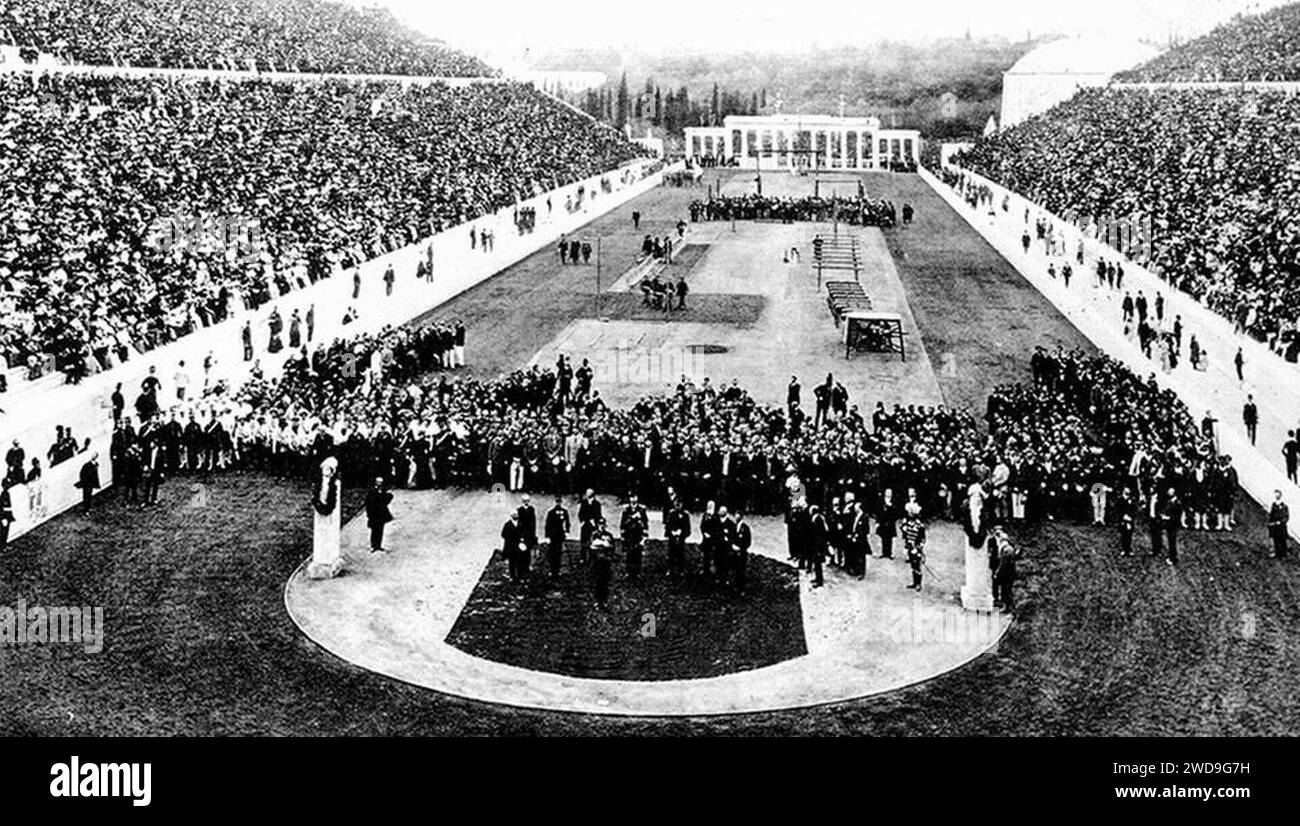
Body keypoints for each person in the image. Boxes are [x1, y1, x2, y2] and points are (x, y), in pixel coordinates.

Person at [620, 493, 648, 583]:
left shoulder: (642, 510)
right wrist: (623, 535)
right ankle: (629, 572)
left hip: (638, 535)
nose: (633, 499)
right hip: (629, 535)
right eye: (631, 497)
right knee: (629, 554)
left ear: (637, 498)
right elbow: (623, 523)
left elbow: (645, 522)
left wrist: (645, 535)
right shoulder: (626, 510)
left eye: (634, 497)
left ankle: (637, 572)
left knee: (638, 554)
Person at [364, 477, 393, 553]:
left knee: (380, 529)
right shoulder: (371, 491)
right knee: (374, 530)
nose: (379, 483)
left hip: (381, 513)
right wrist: (369, 514)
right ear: (375, 482)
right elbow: (368, 503)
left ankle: (379, 545)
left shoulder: (383, 490)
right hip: (374, 513)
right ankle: (374, 545)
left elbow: (387, 499)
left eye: (380, 482)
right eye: (378, 482)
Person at [901, 502, 926, 590]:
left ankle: (918, 583)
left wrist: (919, 548)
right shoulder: (907, 523)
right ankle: (915, 582)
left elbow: (922, 538)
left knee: (917, 565)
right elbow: (905, 533)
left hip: (916, 547)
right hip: (909, 546)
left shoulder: (919, 525)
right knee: (912, 565)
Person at [544, 494, 570, 577]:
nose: (558, 503)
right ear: (555, 502)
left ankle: (557, 570)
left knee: (559, 553)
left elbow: (567, 522)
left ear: (561, 502)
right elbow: (547, 525)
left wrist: (567, 531)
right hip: (552, 535)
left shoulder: (564, 512)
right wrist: (547, 536)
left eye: (559, 502)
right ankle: (552, 570)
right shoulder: (551, 512)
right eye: (557, 502)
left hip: (560, 535)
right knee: (552, 553)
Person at [591, 518, 614, 608]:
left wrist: (601, 545)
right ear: (597, 525)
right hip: (597, 562)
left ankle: (604, 601)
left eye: (603, 524)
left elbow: (611, 547)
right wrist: (603, 545)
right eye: (600, 524)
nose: (602, 526)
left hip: (606, 561)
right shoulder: (594, 535)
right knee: (597, 583)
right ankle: (597, 601)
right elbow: (592, 547)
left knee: (605, 582)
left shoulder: (609, 535)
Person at [664, 498, 690, 577]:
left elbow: (687, 527)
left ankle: (680, 570)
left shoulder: (685, 514)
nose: (677, 506)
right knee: (671, 553)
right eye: (676, 504)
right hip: (672, 536)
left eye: (679, 504)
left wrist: (681, 532)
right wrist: (672, 532)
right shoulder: (671, 513)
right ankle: (670, 569)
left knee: (680, 554)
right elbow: (667, 525)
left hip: (681, 537)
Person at [501, 509, 525, 582]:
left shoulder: (520, 524)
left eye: (516, 514)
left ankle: (520, 576)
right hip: (511, 547)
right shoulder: (507, 525)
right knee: (512, 563)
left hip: (519, 546)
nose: (516, 516)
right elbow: (503, 534)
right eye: (514, 514)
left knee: (520, 562)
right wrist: (510, 539)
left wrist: (522, 539)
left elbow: (523, 533)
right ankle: (512, 576)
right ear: (511, 516)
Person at [732, 510, 752, 592]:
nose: (736, 517)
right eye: (735, 515)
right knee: (735, 569)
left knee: (741, 570)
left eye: (738, 515)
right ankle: (736, 585)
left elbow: (748, 542)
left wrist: (741, 548)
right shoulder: (734, 526)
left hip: (742, 553)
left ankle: (741, 587)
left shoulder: (745, 528)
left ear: (741, 516)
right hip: (734, 552)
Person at [1267, 490, 1289, 559]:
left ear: (1280, 495)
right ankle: (1277, 553)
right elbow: (1271, 515)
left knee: (1282, 540)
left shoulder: (1284, 506)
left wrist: (1281, 522)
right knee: (1276, 539)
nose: (1276, 496)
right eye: (1275, 494)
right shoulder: (1274, 505)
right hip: (1274, 526)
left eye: (1278, 494)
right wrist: (1270, 523)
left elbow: (1286, 517)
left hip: (1281, 526)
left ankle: (1283, 554)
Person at [0, 478, 13, 552]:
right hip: (4, 516)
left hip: (7, 516)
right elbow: (2, 507)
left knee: (6, 532)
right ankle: (2, 547)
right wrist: (2, 518)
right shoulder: (4, 494)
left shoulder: (7, 493)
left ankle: (4, 544)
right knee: (3, 532)